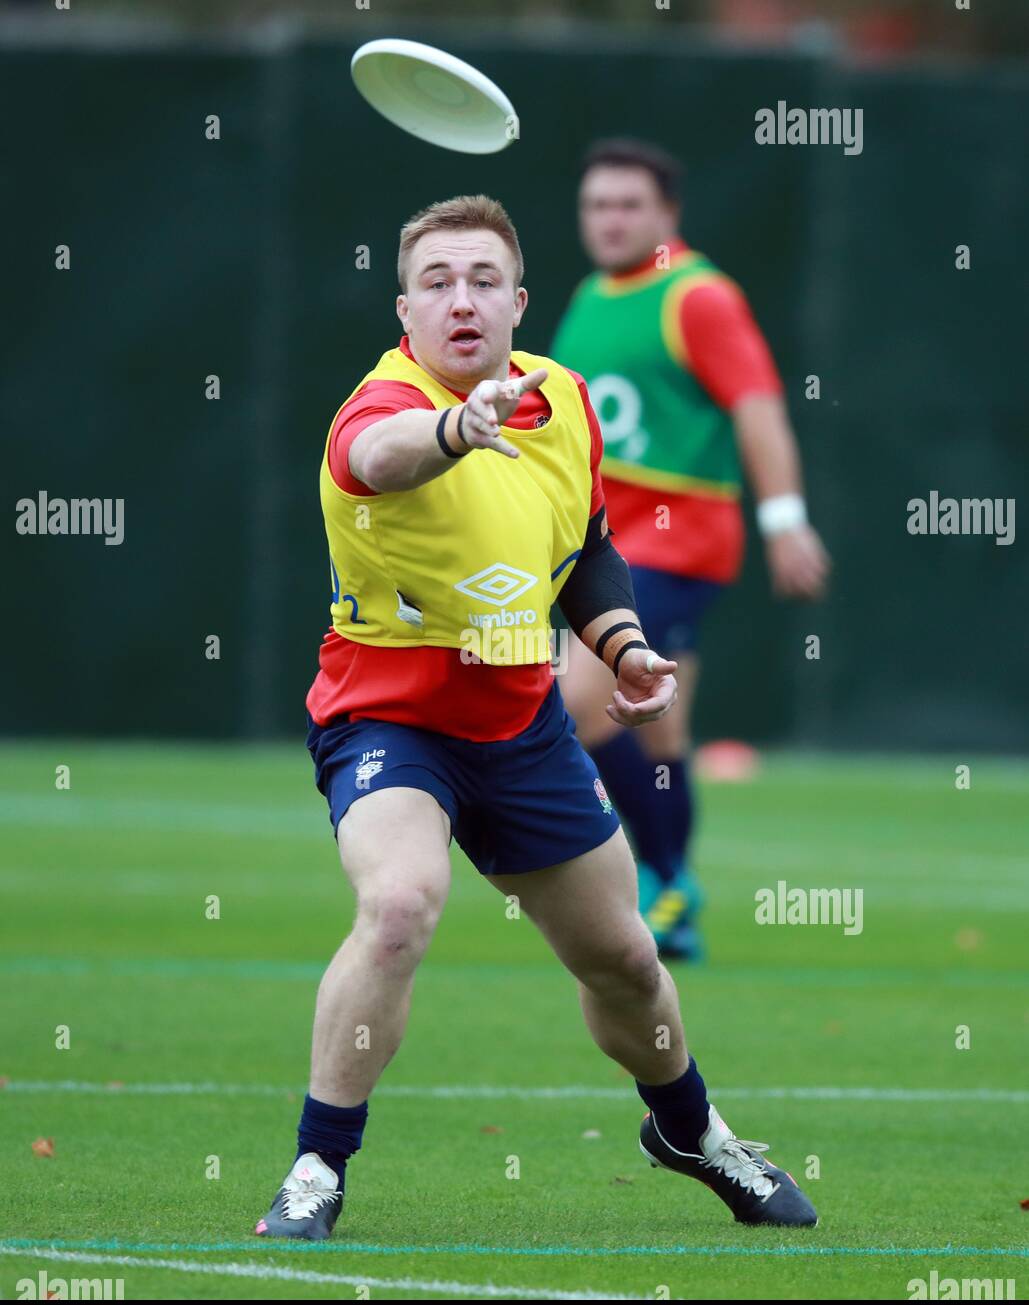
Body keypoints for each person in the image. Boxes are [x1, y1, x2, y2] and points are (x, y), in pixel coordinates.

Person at [254, 194, 817, 1240]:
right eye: (435, 284)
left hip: (523, 727)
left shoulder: (561, 399)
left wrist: (624, 647)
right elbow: (382, 458)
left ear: (519, 303)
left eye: (483, 281)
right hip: (388, 722)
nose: (460, 301)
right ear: (404, 312)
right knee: (400, 903)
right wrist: (456, 428)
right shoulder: (378, 409)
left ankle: (692, 1131)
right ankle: (317, 1167)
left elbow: (587, 549)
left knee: (627, 962)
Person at [552, 139, 831, 961]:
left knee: (576, 707)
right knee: (657, 735)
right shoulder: (591, 295)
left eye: (628, 205)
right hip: (601, 545)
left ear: (668, 213)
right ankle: (674, 889)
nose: (609, 220)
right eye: (596, 205)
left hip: (673, 544)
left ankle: (653, 881)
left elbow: (757, 406)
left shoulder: (697, 296)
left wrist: (784, 520)